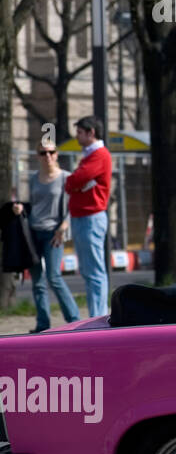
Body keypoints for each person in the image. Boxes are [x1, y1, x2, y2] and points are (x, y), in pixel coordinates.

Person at [14, 147, 79, 331]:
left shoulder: (65, 177)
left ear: (57, 154)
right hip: (33, 233)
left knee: (54, 277)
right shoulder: (34, 178)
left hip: (54, 233)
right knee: (37, 282)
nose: (47, 156)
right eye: (43, 152)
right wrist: (20, 209)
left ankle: (74, 319)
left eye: (51, 152)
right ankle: (42, 324)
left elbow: (71, 205)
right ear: (38, 156)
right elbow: (31, 205)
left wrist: (63, 228)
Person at [65, 116, 112, 318]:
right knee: (89, 271)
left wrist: (76, 184)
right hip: (84, 218)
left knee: (94, 272)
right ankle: (96, 314)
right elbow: (75, 183)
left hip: (90, 218)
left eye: (80, 132)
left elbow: (74, 180)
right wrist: (77, 184)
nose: (77, 136)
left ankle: (98, 316)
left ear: (91, 132)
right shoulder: (90, 155)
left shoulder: (99, 155)